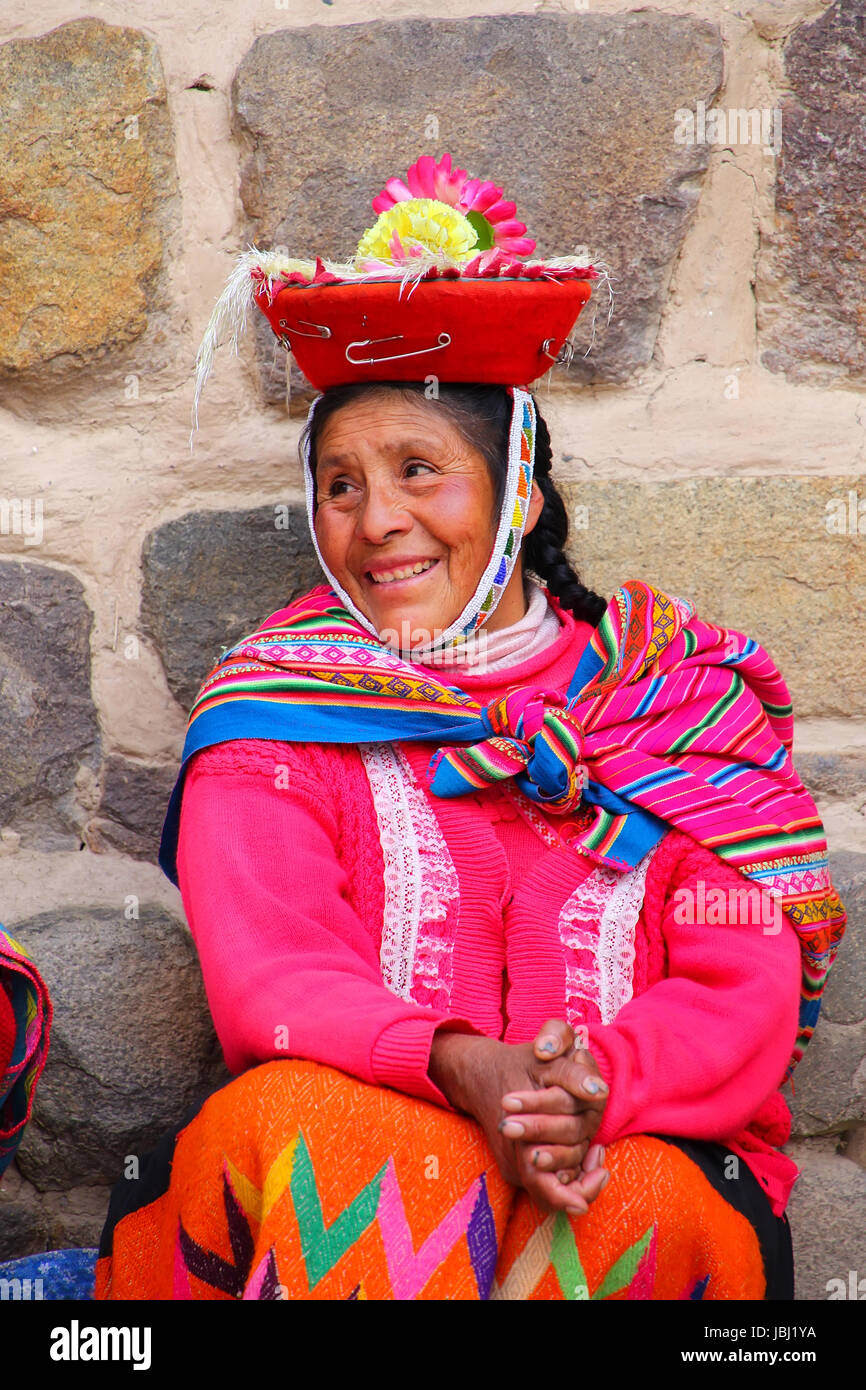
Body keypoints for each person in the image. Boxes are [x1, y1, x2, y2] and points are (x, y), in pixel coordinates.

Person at [95, 156, 846, 1301]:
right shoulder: (274, 709)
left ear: (519, 497)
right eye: (338, 485)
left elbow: (739, 973)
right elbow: (271, 976)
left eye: (417, 471)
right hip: (371, 1123)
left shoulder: (677, 700)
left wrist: (596, 1088)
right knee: (321, 1139)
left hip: (630, 1140)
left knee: (634, 1197)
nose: (376, 520)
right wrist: (461, 1067)